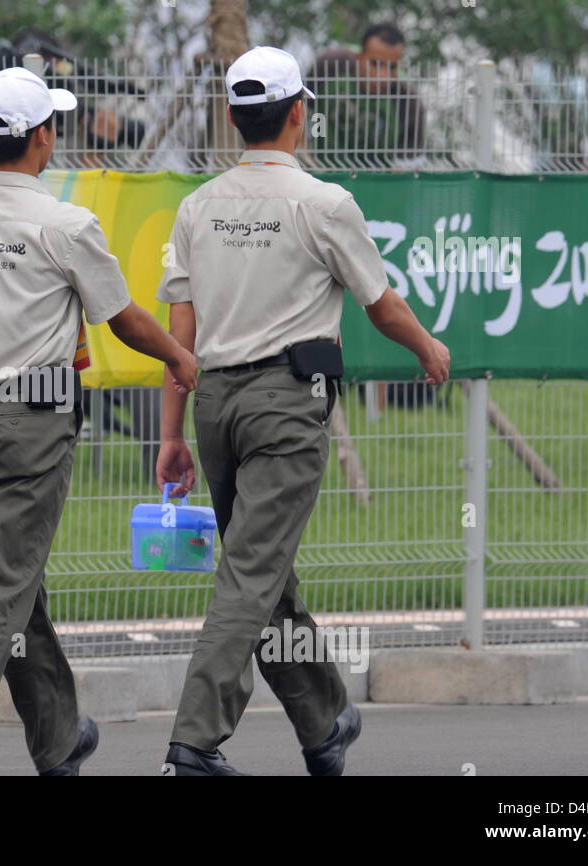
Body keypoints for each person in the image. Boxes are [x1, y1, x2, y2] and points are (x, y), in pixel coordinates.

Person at [155, 46, 450, 776]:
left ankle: (324, 723)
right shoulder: (325, 203)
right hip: (288, 406)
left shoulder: (197, 207)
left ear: (231, 118)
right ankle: (193, 741)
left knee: (262, 572)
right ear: (298, 115)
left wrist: (169, 434)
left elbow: (179, 338)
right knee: (251, 575)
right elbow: (380, 305)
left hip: (215, 407)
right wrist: (428, 347)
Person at [0, 67, 198, 776]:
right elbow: (122, 318)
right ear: (41, 138)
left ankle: (59, 736)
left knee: (12, 578)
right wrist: (181, 357)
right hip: (33, 425)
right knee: (1, 585)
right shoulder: (66, 223)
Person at [306, 23, 426, 169]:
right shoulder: (331, 66)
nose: (383, 76)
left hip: (374, 184)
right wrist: (310, 162)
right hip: (321, 174)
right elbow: (300, 112)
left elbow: (408, 164)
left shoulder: (408, 102)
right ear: (359, 57)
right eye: (375, 63)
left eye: (392, 67)